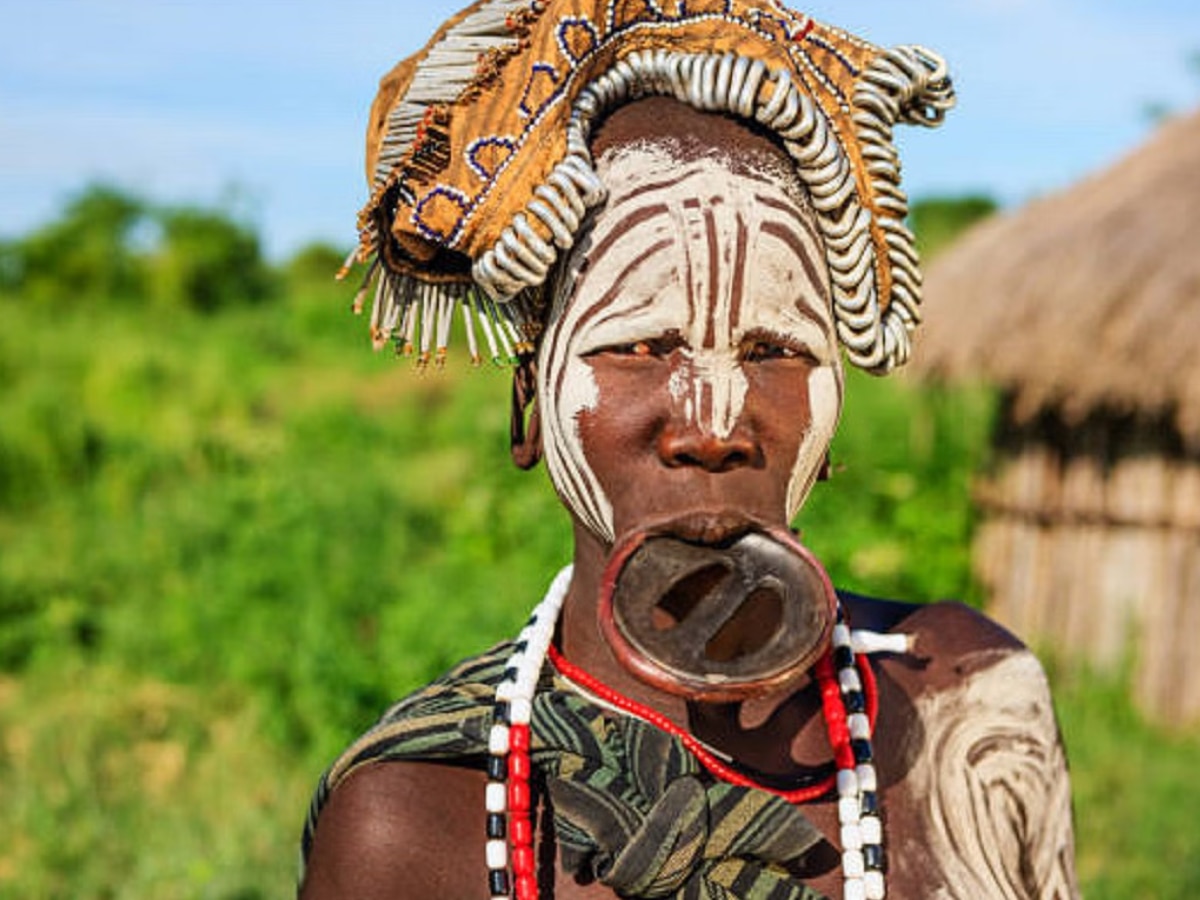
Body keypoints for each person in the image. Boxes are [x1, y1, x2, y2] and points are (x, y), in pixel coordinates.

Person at [299, 2, 1079, 898]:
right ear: (527, 408)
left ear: (833, 424)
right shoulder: (415, 818)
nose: (713, 424)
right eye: (639, 345)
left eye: (776, 351)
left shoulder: (969, 706)